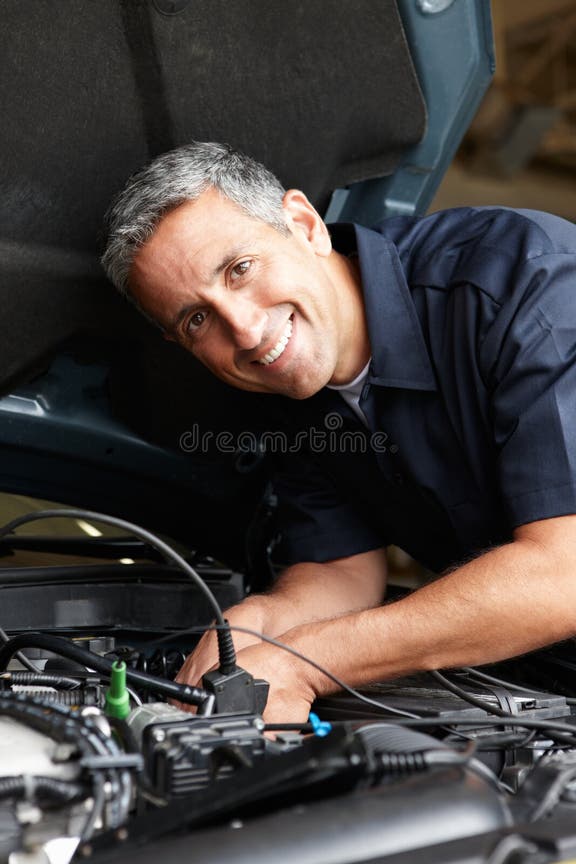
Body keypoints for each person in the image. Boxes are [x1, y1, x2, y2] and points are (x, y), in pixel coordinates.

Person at [102, 141, 576, 725]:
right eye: (197, 318)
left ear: (304, 225)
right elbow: (342, 568)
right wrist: (259, 625)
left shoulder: (524, 284)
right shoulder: (286, 388)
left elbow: (564, 573)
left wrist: (304, 663)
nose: (246, 331)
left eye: (240, 269)